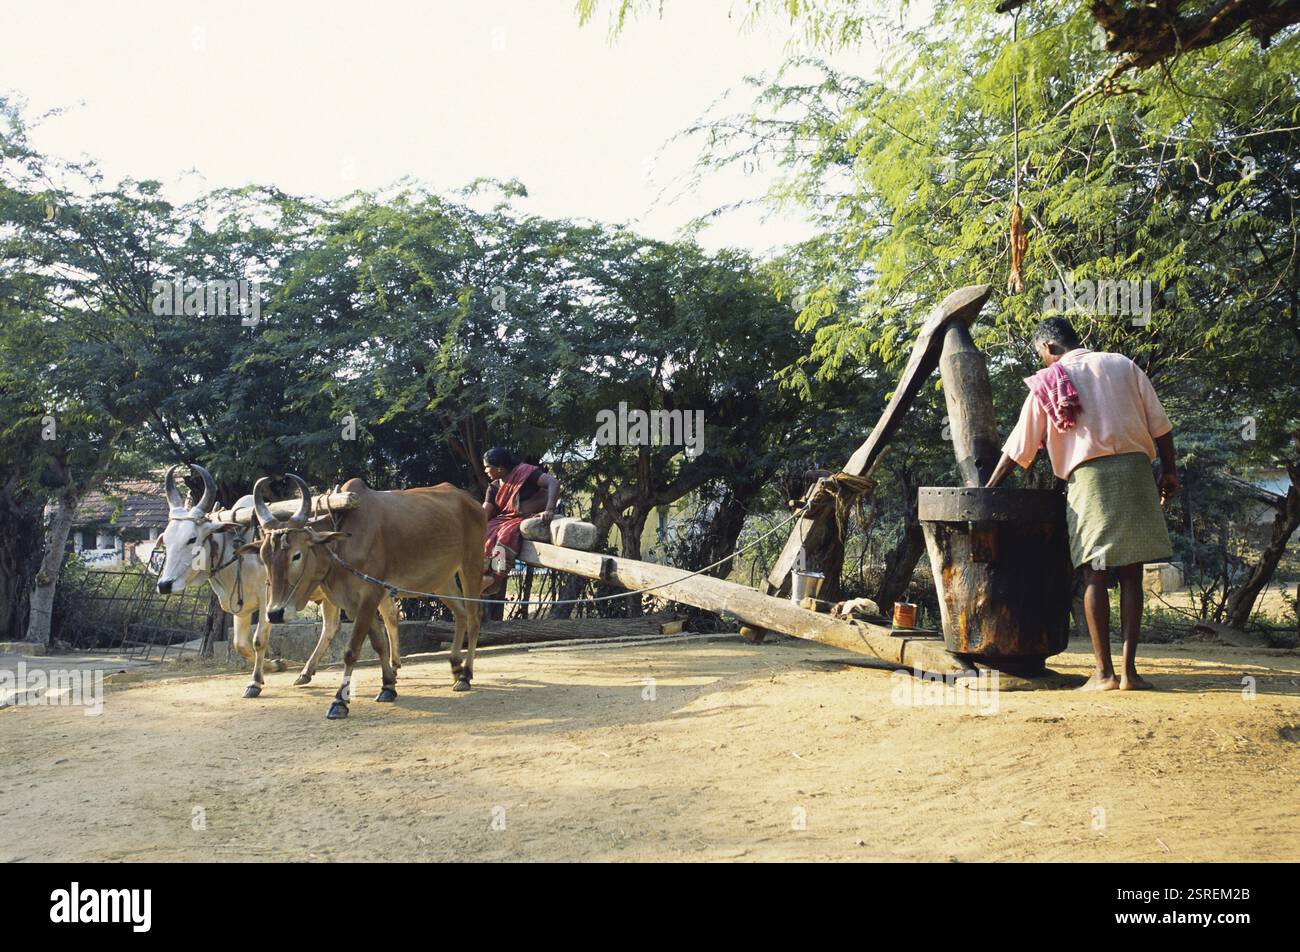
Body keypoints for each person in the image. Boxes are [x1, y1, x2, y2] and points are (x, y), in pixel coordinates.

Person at [986, 317, 1179, 692]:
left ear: (1047, 348)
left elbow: (1018, 448)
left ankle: (1104, 675)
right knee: (1131, 574)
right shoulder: (1122, 364)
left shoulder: (1048, 381)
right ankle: (1130, 674)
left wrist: (988, 488)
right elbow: (1161, 426)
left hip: (1090, 480)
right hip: (1137, 471)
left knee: (1096, 572)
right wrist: (1169, 473)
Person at [480, 448, 561, 596]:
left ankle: (497, 579)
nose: (485, 470)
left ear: (499, 467)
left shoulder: (524, 472)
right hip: (506, 519)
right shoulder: (494, 487)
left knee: (506, 534)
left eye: (487, 466)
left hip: (530, 516)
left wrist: (550, 509)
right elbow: (485, 512)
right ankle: (485, 573)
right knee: (486, 530)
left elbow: (553, 483)